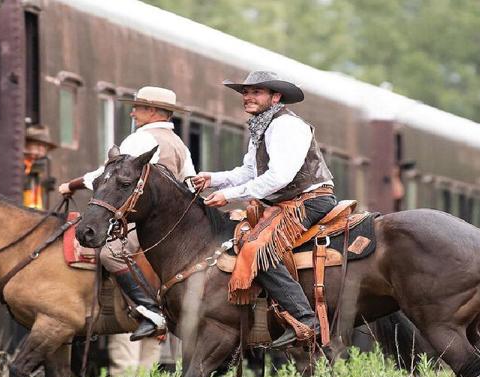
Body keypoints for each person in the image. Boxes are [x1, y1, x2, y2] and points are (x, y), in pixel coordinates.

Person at [191, 71, 335, 348]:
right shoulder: (262, 125)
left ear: (276, 97)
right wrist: (213, 179)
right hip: (286, 201)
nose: (248, 97)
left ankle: (305, 319)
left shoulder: (287, 126)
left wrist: (228, 195)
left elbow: (279, 177)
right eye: (245, 92)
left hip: (309, 200)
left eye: (256, 92)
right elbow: (249, 170)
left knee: (257, 248)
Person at [58, 86, 196, 343]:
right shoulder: (179, 146)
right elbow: (190, 183)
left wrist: (71, 185)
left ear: (153, 111)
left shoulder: (139, 140)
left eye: (138, 107)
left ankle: (151, 311)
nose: (132, 112)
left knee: (110, 253)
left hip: (144, 220)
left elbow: (108, 178)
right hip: (171, 226)